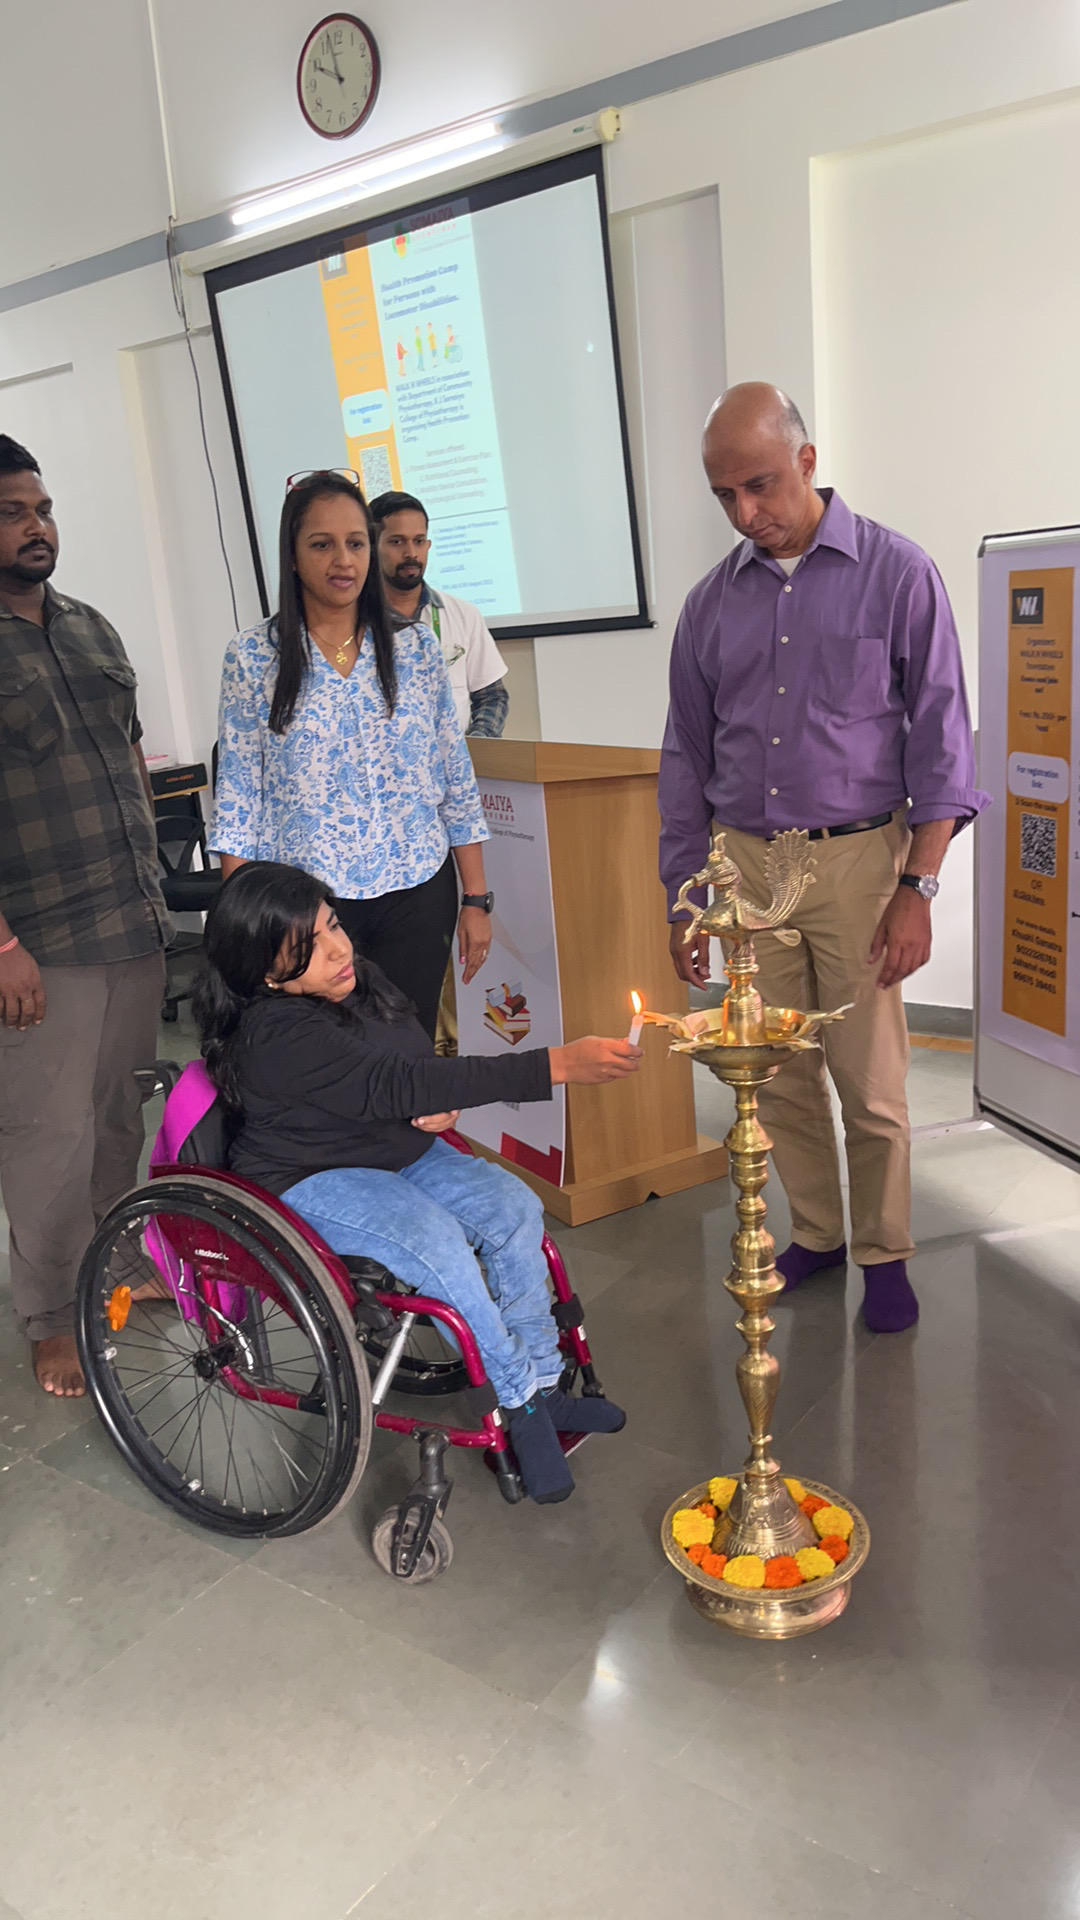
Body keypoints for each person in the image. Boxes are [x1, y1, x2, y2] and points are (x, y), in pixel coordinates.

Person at [659, 383, 988, 1335]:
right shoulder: (707, 606)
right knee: (779, 1073)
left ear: (807, 461)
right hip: (745, 872)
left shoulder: (898, 575)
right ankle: (819, 1232)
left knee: (871, 1079)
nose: (745, 514)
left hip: (857, 866)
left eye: (759, 485)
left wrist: (917, 886)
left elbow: (942, 745)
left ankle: (885, 1252)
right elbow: (687, 752)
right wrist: (686, 894)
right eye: (724, 496)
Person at [194, 861, 641, 1503]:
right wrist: (558, 1064)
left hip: (392, 1147)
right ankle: (524, 1406)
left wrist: (444, 1106)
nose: (339, 949)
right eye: (309, 948)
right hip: (309, 1174)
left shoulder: (353, 978)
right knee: (438, 1246)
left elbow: (411, 1064)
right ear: (266, 974)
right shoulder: (274, 1032)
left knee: (514, 1208)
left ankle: (546, 1384)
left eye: (333, 925)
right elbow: (396, 1083)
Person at [0, 434, 168, 1397]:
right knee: (46, 1134)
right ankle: (49, 1312)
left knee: (115, 1118)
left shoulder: (93, 628)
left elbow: (134, 760)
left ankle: (118, 1260)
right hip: (40, 944)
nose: (36, 526)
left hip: (131, 923)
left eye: (43, 509)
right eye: (15, 511)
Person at [210, 470, 493, 1041]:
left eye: (356, 543)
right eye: (322, 544)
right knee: (324, 1061)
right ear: (292, 556)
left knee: (406, 1053)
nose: (343, 560)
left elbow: (454, 781)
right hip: (306, 909)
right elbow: (239, 802)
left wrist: (477, 899)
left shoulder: (415, 649)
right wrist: (246, 924)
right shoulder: (252, 658)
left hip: (416, 891)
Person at [368, 490, 509, 739]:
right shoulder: (353, 622)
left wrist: (473, 752)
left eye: (419, 541)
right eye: (397, 542)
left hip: (455, 768)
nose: (411, 553)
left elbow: (492, 696)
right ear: (371, 547)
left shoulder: (463, 614)